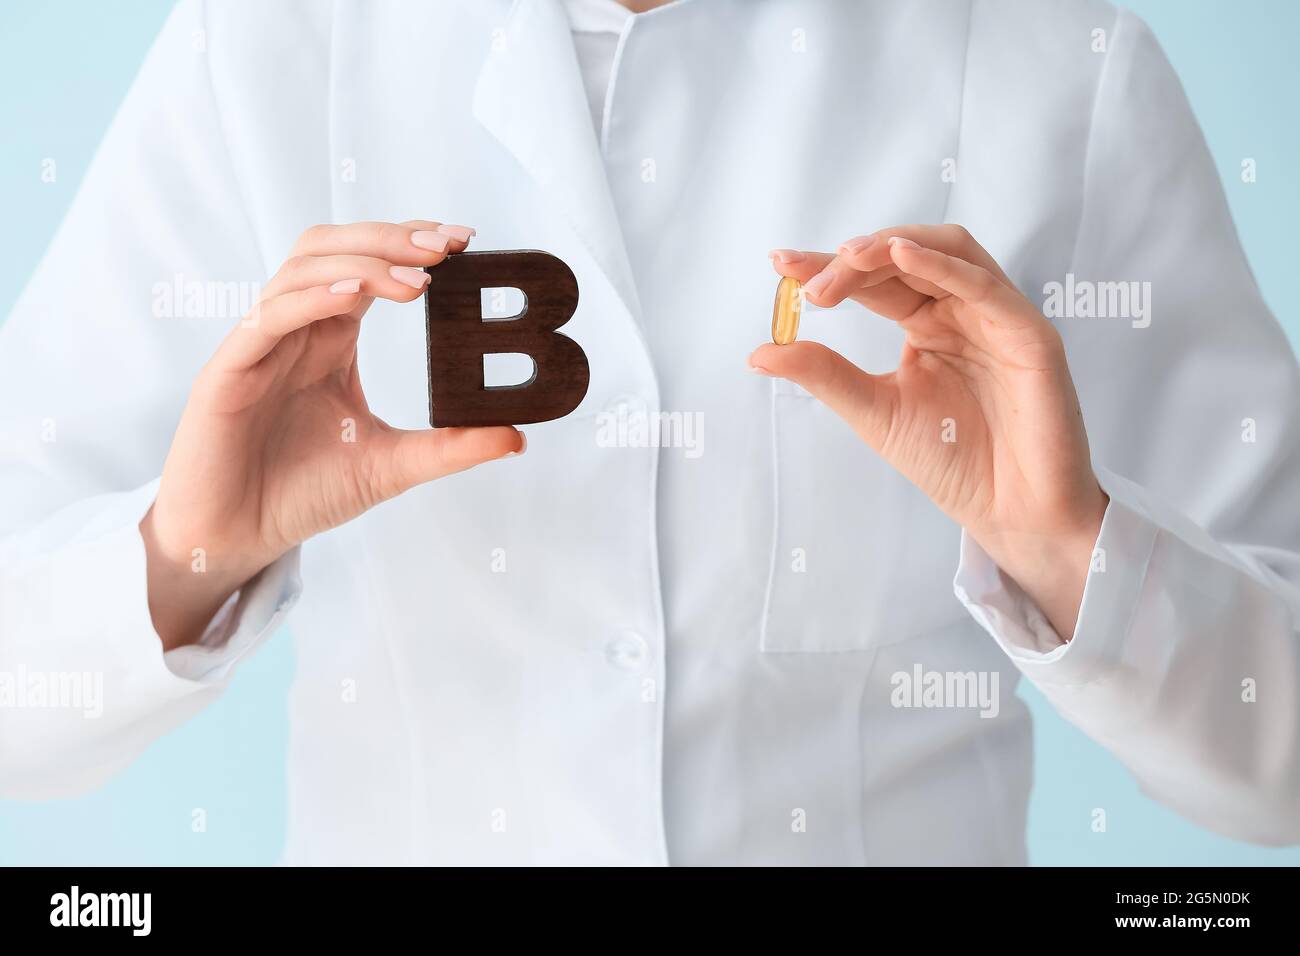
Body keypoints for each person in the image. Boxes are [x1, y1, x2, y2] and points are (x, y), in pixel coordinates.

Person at [1, 0, 1297, 865]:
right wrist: (186, 554)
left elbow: (1279, 762)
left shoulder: (1048, 57)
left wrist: (1077, 554)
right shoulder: (267, 46)